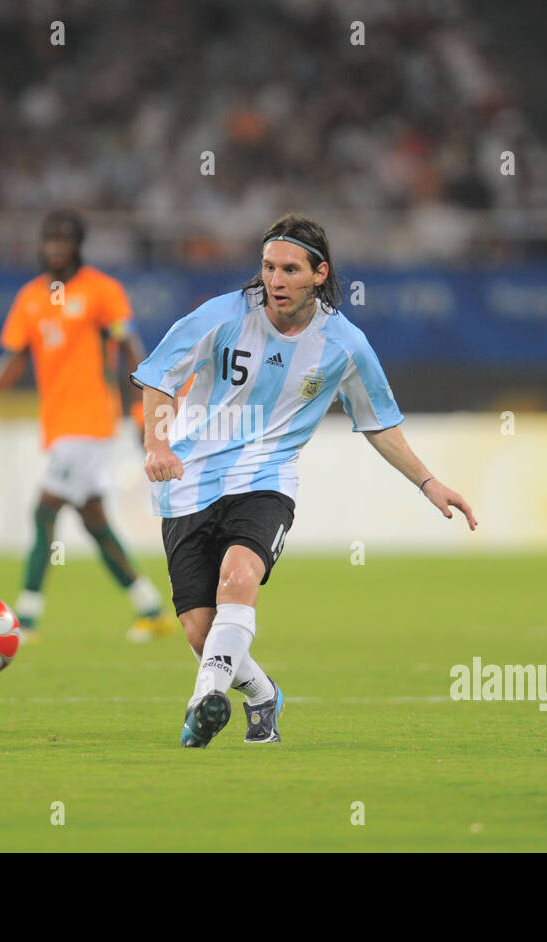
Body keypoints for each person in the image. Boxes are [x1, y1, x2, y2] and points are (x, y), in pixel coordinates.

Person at [131, 214, 477, 748]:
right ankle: (263, 694)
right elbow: (157, 376)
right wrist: (156, 444)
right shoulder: (221, 315)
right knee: (203, 634)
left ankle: (201, 706)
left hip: (267, 478)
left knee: (238, 579)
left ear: (320, 274)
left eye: (290, 269)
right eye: (268, 267)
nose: (276, 280)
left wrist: (429, 483)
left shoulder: (345, 345)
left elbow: (378, 422)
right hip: (188, 480)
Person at [0, 210, 176, 642]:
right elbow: (13, 358)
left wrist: (141, 407)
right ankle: (150, 608)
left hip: (91, 423)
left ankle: (26, 619)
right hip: (59, 426)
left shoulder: (101, 291)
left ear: (78, 246)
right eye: (49, 241)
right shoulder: (31, 298)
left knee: (43, 511)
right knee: (94, 520)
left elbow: (129, 344)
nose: (55, 248)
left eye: (64, 241)